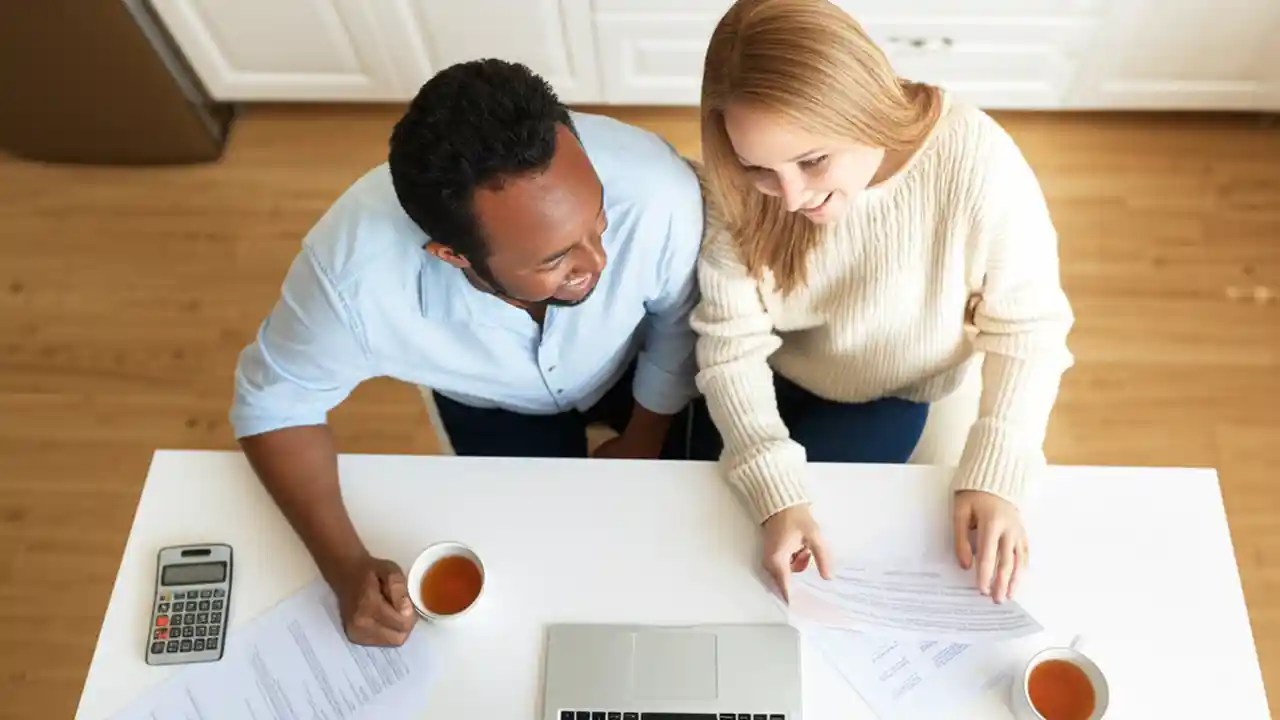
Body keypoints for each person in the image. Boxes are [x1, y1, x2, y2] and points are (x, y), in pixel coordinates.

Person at [230, 59, 704, 646]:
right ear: (453, 256)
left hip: (636, 364)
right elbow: (273, 406)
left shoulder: (658, 188)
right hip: (492, 407)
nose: (598, 262)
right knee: (529, 561)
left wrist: (641, 442)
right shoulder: (349, 279)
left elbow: (679, 322)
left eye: (599, 221)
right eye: (555, 258)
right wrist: (345, 567)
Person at [691, 0, 1074, 604]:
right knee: (708, 528)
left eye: (813, 161)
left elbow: (1029, 330)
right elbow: (731, 348)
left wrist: (999, 473)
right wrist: (776, 491)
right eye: (760, 169)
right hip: (782, 379)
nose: (788, 198)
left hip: (899, 393)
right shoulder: (739, 187)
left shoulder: (976, 160)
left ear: (863, 106)